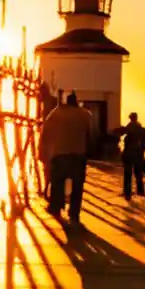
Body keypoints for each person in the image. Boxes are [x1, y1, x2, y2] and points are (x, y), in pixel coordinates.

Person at [39, 92, 93, 227]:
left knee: (57, 183)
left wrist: (43, 152)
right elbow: (91, 135)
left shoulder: (56, 113)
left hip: (60, 154)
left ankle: (56, 208)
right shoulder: (85, 115)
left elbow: (45, 132)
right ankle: (74, 214)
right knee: (77, 187)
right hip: (78, 155)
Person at [118, 112, 145, 199]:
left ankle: (127, 192)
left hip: (129, 154)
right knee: (138, 174)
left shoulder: (130, 127)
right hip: (138, 154)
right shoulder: (141, 129)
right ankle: (140, 192)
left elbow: (121, 132)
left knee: (128, 174)